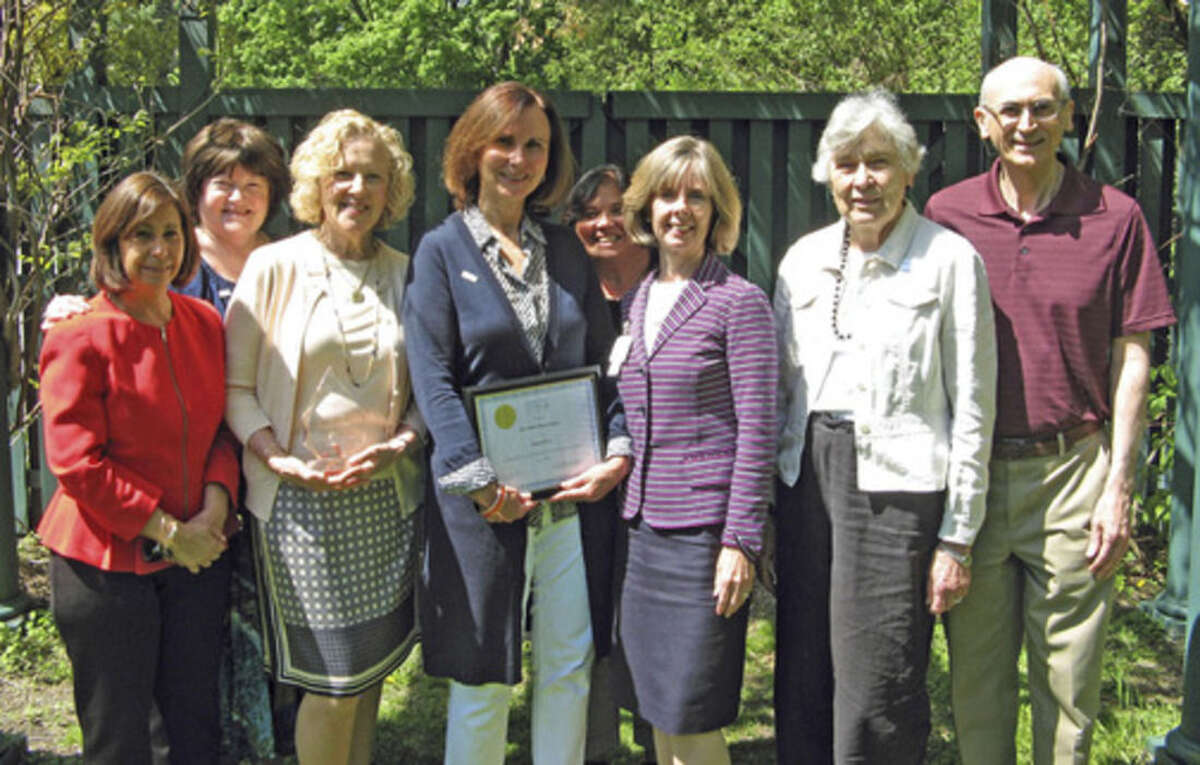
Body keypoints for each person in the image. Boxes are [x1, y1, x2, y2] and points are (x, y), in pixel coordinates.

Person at [924, 57, 1176, 764]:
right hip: (971, 478)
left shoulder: (1114, 217)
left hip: (1073, 472)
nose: (1026, 124)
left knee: (1069, 685)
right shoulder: (946, 215)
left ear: (1069, 117)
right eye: (1010, 111)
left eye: (1042, 108)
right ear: (984, 123)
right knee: (976, 681)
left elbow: (1134, 355)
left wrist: (1119, 486)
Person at [40, 117, 296, 760]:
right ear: (111, 243)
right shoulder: (80, 334)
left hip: (196, 558)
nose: (159, 249)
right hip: (107, 567)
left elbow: (218, 426)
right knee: (121, 735)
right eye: (141, 235)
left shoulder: (204, 321)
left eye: (170, 234)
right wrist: (166, 530)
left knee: (193, 725)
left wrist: (214, 506)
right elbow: (76, 463)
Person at [403, 81, 630, 765]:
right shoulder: (440, 251)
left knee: (566, 666)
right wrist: (477, 480)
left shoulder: (565, 252)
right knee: (483, 678)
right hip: (484, 504)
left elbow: (600, 364)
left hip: (568, 498)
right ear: (473, 148)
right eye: (504, 140)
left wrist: (616, 452)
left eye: (535, 144)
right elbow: (433, 377)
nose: (519, 157)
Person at [772, 90, 996, 764]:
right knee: (805, 666)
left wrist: (958, 533)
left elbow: (974, 406)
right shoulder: (802, 259)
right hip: (806, 476)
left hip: (898, 490)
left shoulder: (950, 260)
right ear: (828, 174)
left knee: (878, 677)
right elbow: (782, 390)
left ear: (907, 170)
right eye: (847, 164)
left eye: (879, 162)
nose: (862, 179)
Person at [224, 108, 424, 765]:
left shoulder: (405, 270)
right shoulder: (273, 267)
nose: (357, 189)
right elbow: (236, 387)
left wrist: (399, 443)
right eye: (343, 174)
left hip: (384, 501)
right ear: (316, 182)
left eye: (373, 175)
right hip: (299, 504)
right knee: (331, 684)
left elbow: (428, 392)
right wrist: (279, 459)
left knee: (367, 680)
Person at [613, 135, 777, 765]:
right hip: (639, 532)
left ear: (718, 212)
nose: (678, 209)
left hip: (702, 537)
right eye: (665, 195)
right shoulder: (636, 301)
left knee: (692, 709)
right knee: (654, 705)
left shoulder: (738, 303)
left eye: (696, 196)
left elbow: (758, 430)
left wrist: (739, 540)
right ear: (646, 209)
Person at [564, 164, 657, 765]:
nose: (604, 223)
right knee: (590, 615)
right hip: (586, 488)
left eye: (616, 209)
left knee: (653, 617)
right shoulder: (566, 298)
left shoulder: (670, 285)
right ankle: (595, 747)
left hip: (661, 487)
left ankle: (660, 739)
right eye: (589, 213)